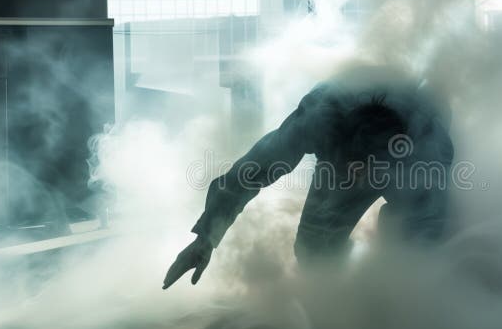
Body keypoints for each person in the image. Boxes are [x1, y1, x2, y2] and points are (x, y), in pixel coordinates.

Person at [163, 65, 454, 289]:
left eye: (371, 173)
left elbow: (431, 227)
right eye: (355, 170)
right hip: (344, 151)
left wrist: (407, 282)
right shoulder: (317, 120)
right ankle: (339, 307)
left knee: (416, 243)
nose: (362, 179)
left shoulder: (429, 150)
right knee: (314, 250)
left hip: (409, 168)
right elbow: (250, 171)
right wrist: (205, 238)